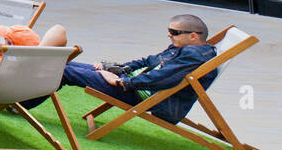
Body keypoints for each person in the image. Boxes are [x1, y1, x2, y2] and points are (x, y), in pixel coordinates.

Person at [24, 15, 219, 121]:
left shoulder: (193, 57)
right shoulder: (182, 48)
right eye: (169, 31)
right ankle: (22, 100)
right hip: (133, 84)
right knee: (65, 63)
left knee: (63, 70)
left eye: (174, 32)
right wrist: (119, 68)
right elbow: (148, 61)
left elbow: (162, 79)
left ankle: (23, 106)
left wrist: (120, 81)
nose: (169, 35)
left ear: (194, 36)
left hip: (140, 95)